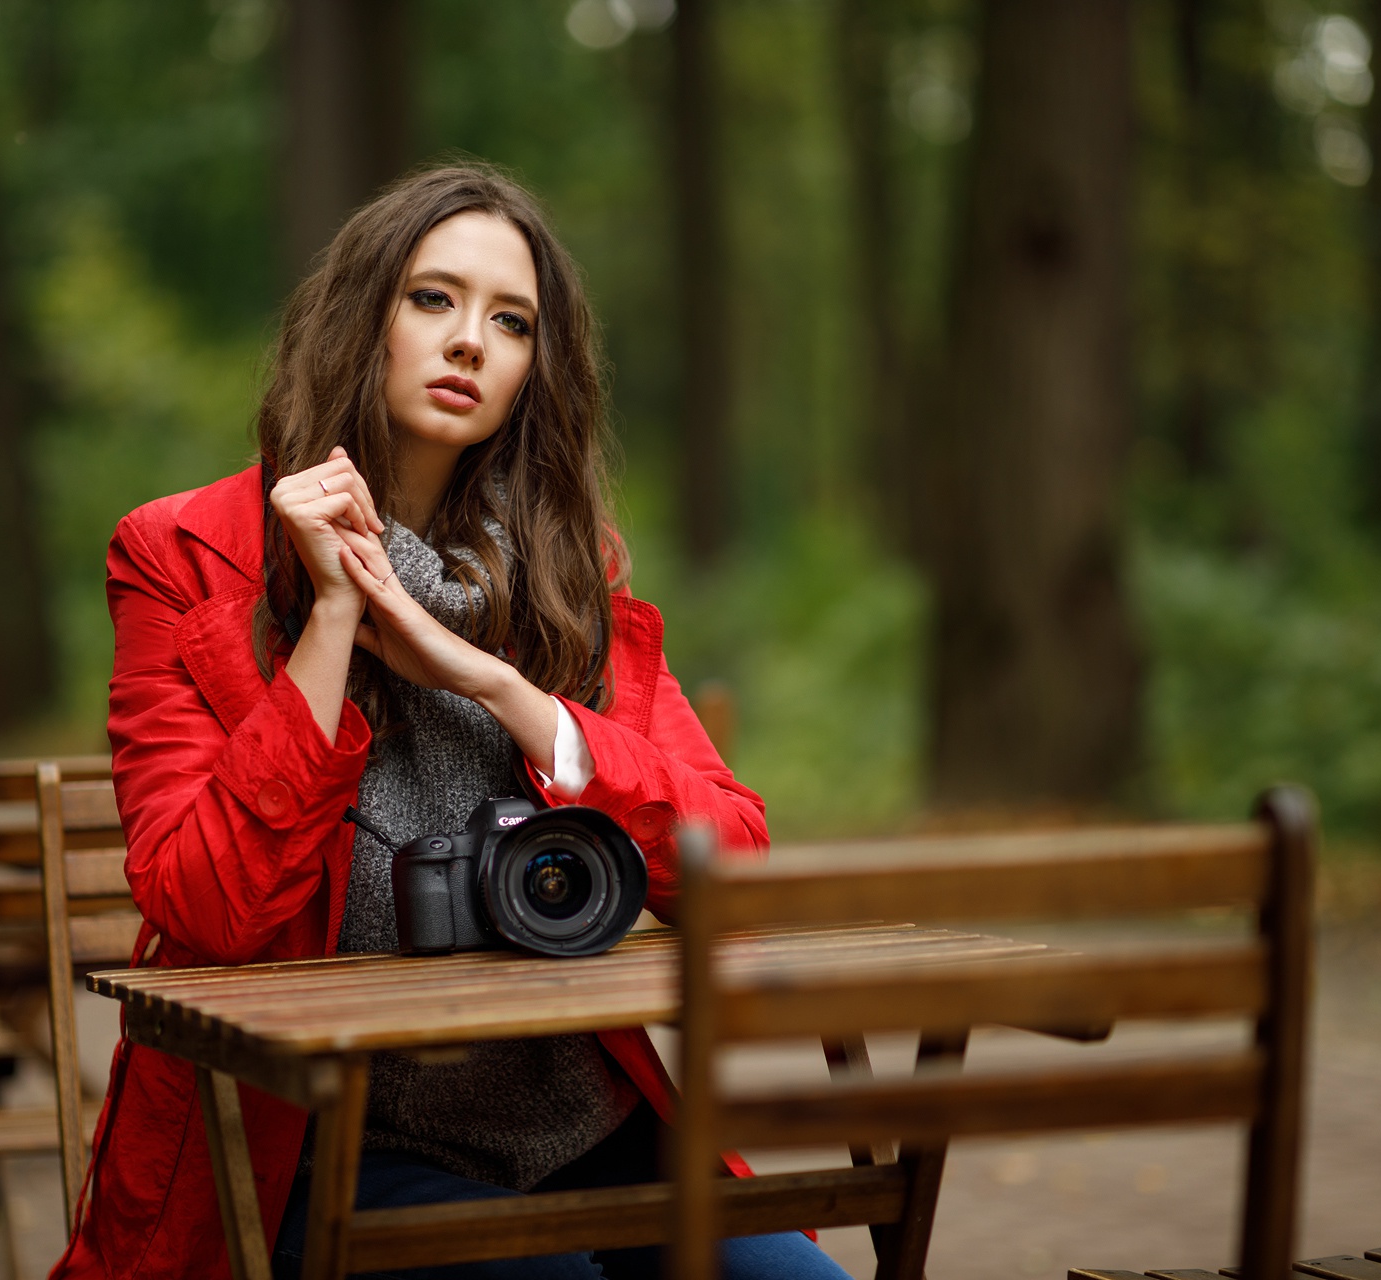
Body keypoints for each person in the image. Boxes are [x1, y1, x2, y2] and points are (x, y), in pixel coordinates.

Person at [52, 164, 850, 1280]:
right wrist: (332, 616)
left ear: (535, 368)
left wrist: (495, 683)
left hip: (570, 1119)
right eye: (433, 298)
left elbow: (734, 855)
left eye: (509, 319)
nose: (469, 339)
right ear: (361, 317)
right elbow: (205, 903)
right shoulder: (184, 554)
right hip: (314, 1142)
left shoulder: (569, 571)